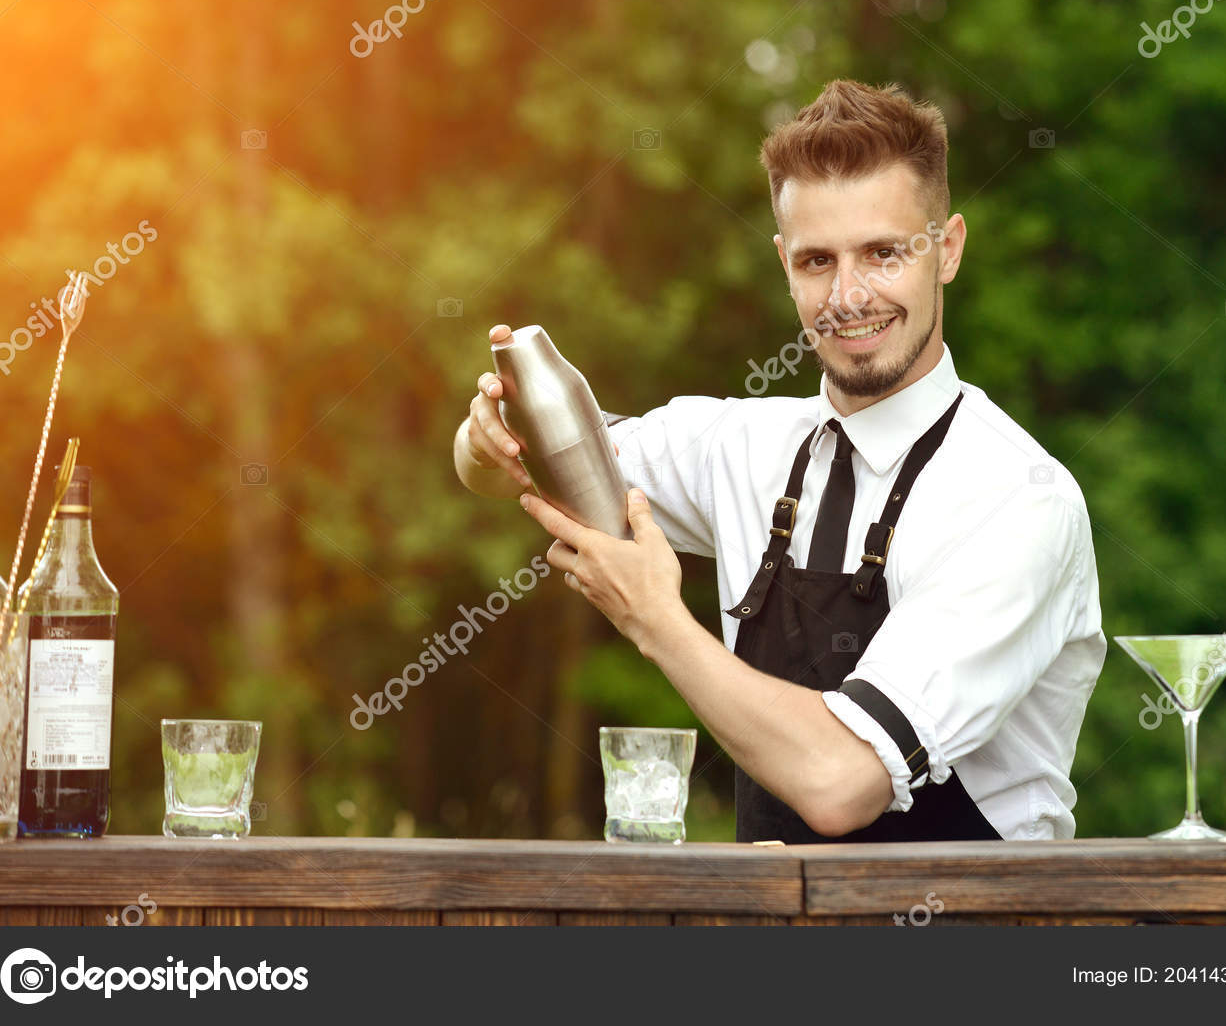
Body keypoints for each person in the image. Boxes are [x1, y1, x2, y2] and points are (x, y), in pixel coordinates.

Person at [453, 79, 1105, 842]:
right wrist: (485, 441)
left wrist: (656, 617)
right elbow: (529, 463)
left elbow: (842, 783)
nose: (849, 294)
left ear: (947, 249)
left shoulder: (1014, 499)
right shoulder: (740, 446)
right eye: (817, 261)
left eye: (884, 253)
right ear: (783, 263)